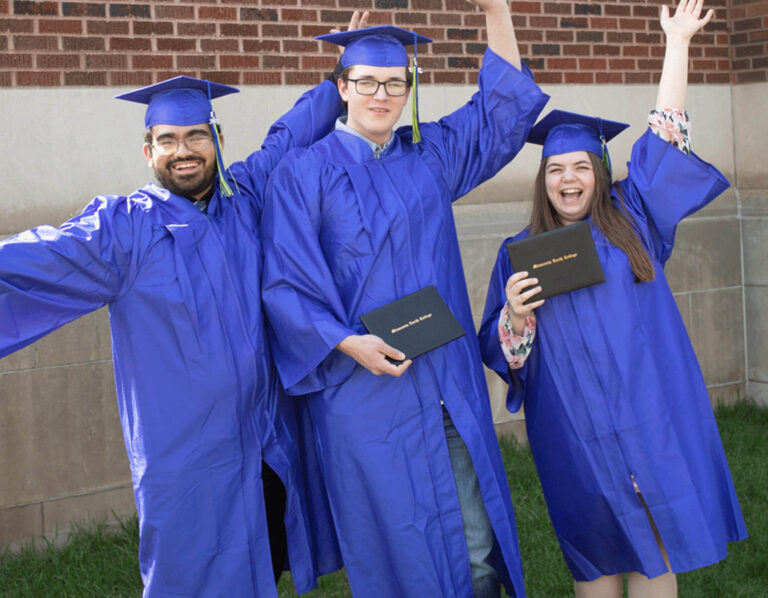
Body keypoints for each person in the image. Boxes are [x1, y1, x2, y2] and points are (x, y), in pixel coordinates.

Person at [0, 12, 372, 595]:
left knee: (263, 571)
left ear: (218, 142)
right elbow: (35, 258)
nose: (184, 151)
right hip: (189, 468)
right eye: (168, 140)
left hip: (263, 447)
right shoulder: (123, 232)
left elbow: (290, 135)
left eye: (197, 135)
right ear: (147, 150)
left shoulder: (245, 200)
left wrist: (342, 74)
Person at [260, 1, 549, 596]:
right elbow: (286, 282)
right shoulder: (303, 172)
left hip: (447, 388)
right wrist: (346, 343)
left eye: (395, 81)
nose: (381, 94)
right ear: (341, 87)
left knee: (477, 551)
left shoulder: (430, 155)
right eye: (365, 81)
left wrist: (497, 9)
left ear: (409, 86)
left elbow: (501, 112)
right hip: (364, 397)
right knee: (396, 555)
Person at [478, 1, 748, 596]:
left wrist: (676, 43)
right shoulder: (517, 253)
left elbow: (666, 132)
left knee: (656, 553)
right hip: (574, 434)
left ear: (600, 172)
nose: (568, 179)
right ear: (542, 179)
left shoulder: (635, 218)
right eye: (555, 169)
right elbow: (507, 357)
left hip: (649, 419)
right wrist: (514, 318)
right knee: (596, 562)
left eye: (581, 166)